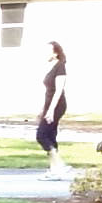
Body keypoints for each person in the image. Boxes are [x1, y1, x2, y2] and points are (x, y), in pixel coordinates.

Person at [36, 42, 71, 179]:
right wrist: (42, 110)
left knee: (41, 135)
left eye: (48, 51)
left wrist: (50, 111)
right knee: (50, 136)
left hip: (57, 105)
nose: (45, 54)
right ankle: (54, 170)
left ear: (55, 53)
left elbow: (58, 91)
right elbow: (48, 92)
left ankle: (60, 165)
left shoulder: (60, 67)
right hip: (49, 105)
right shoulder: (51, 67)